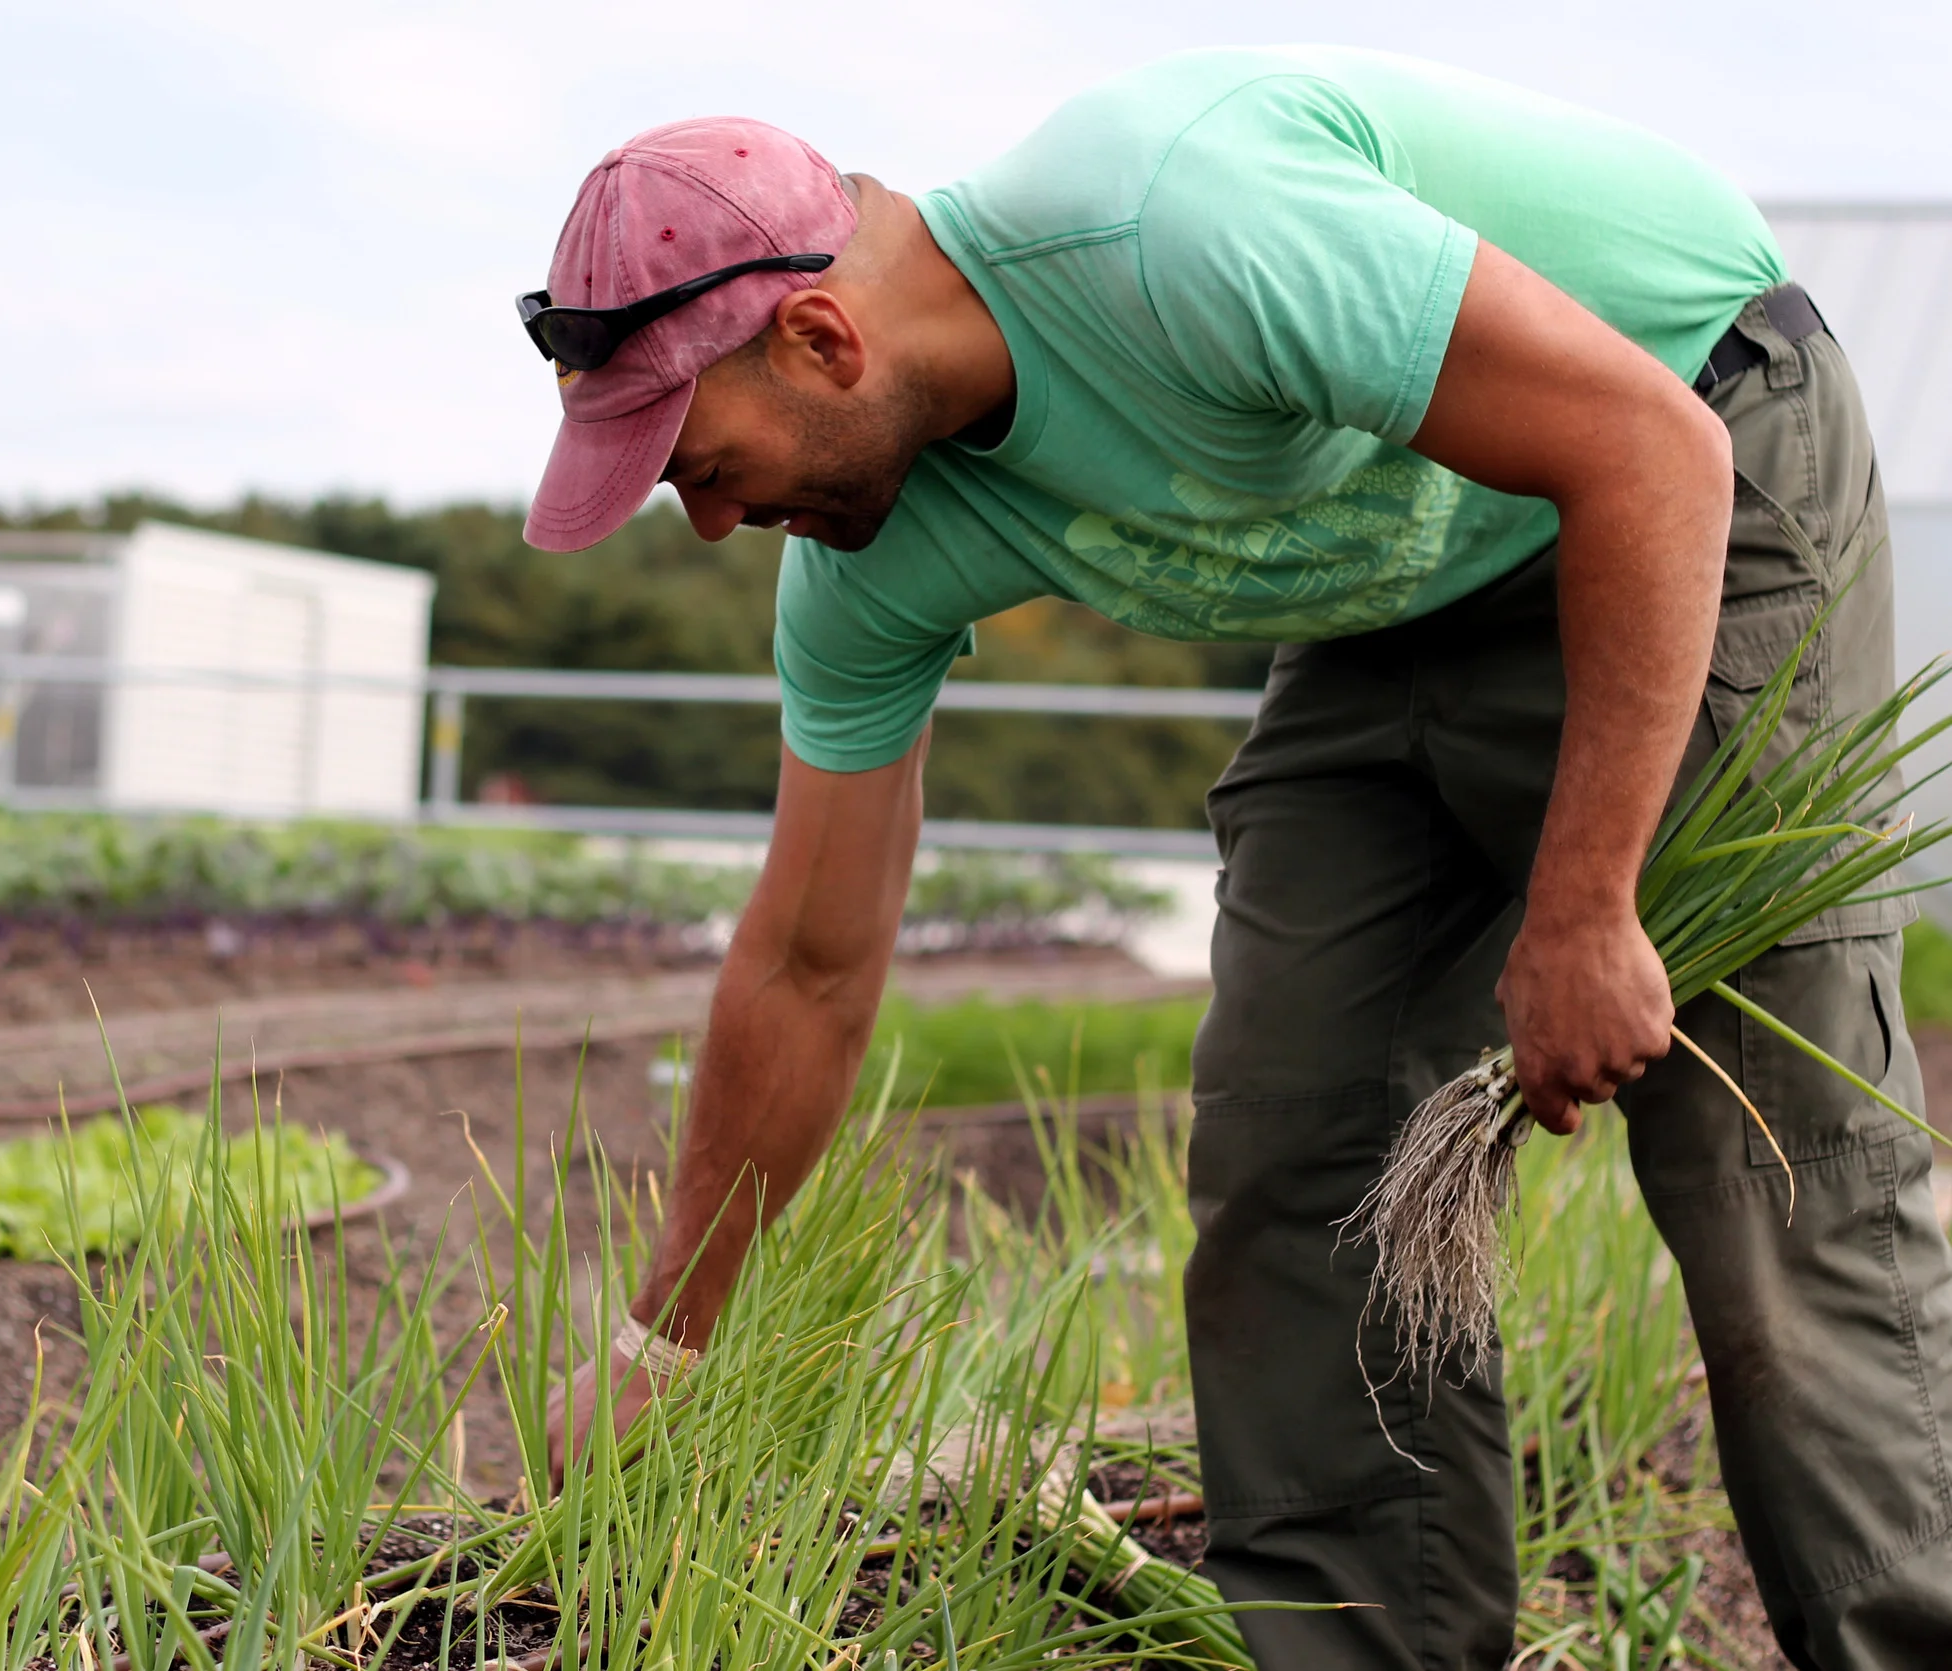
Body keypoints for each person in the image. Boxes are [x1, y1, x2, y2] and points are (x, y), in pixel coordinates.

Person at [513, 46, 1952, 1670]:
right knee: (1296, 1135)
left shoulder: (1170, 226)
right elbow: (807, 959)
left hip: (1687, 437)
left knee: (1768, 1140)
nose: (708, 526)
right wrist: (666, 1342)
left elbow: (1646, 454)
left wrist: (1581, 904)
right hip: (1386, 570)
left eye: (704, 469)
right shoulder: (862, 562)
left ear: (823, 338)